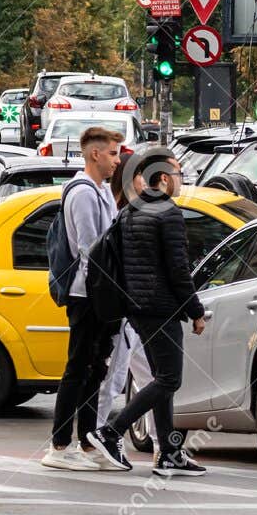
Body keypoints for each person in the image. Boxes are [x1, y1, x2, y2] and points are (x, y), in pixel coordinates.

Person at [87, 149, 208, 477]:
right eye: (180, 174)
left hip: (137, 309)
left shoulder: (130, 211)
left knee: (161, 380)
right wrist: (195, 311)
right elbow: (179, 271)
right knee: (170, 378)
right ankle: (111, 430)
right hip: (161, 307)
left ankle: (168, 451)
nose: (183, 180)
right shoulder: (167, 212)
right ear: (165, 179)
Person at [43, 125, 125, 471]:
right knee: (78, 367)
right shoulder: (82, 193)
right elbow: (91, 248)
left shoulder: (102, 191)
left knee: (95, 368)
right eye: (112, 153)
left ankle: (87, 441)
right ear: (95, 154)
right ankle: (60, 446)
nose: (117, 161)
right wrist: (105, 294)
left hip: (100, 293)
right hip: (86, 293)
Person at [97, 154, 157, 456]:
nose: (144, 183)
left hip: (135, 309)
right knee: (114, 378)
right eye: (140, 176)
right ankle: (95, 440)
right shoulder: (114, 211)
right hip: (122, 308)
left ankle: (164, 444)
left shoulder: (130, 210)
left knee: (150, 377)